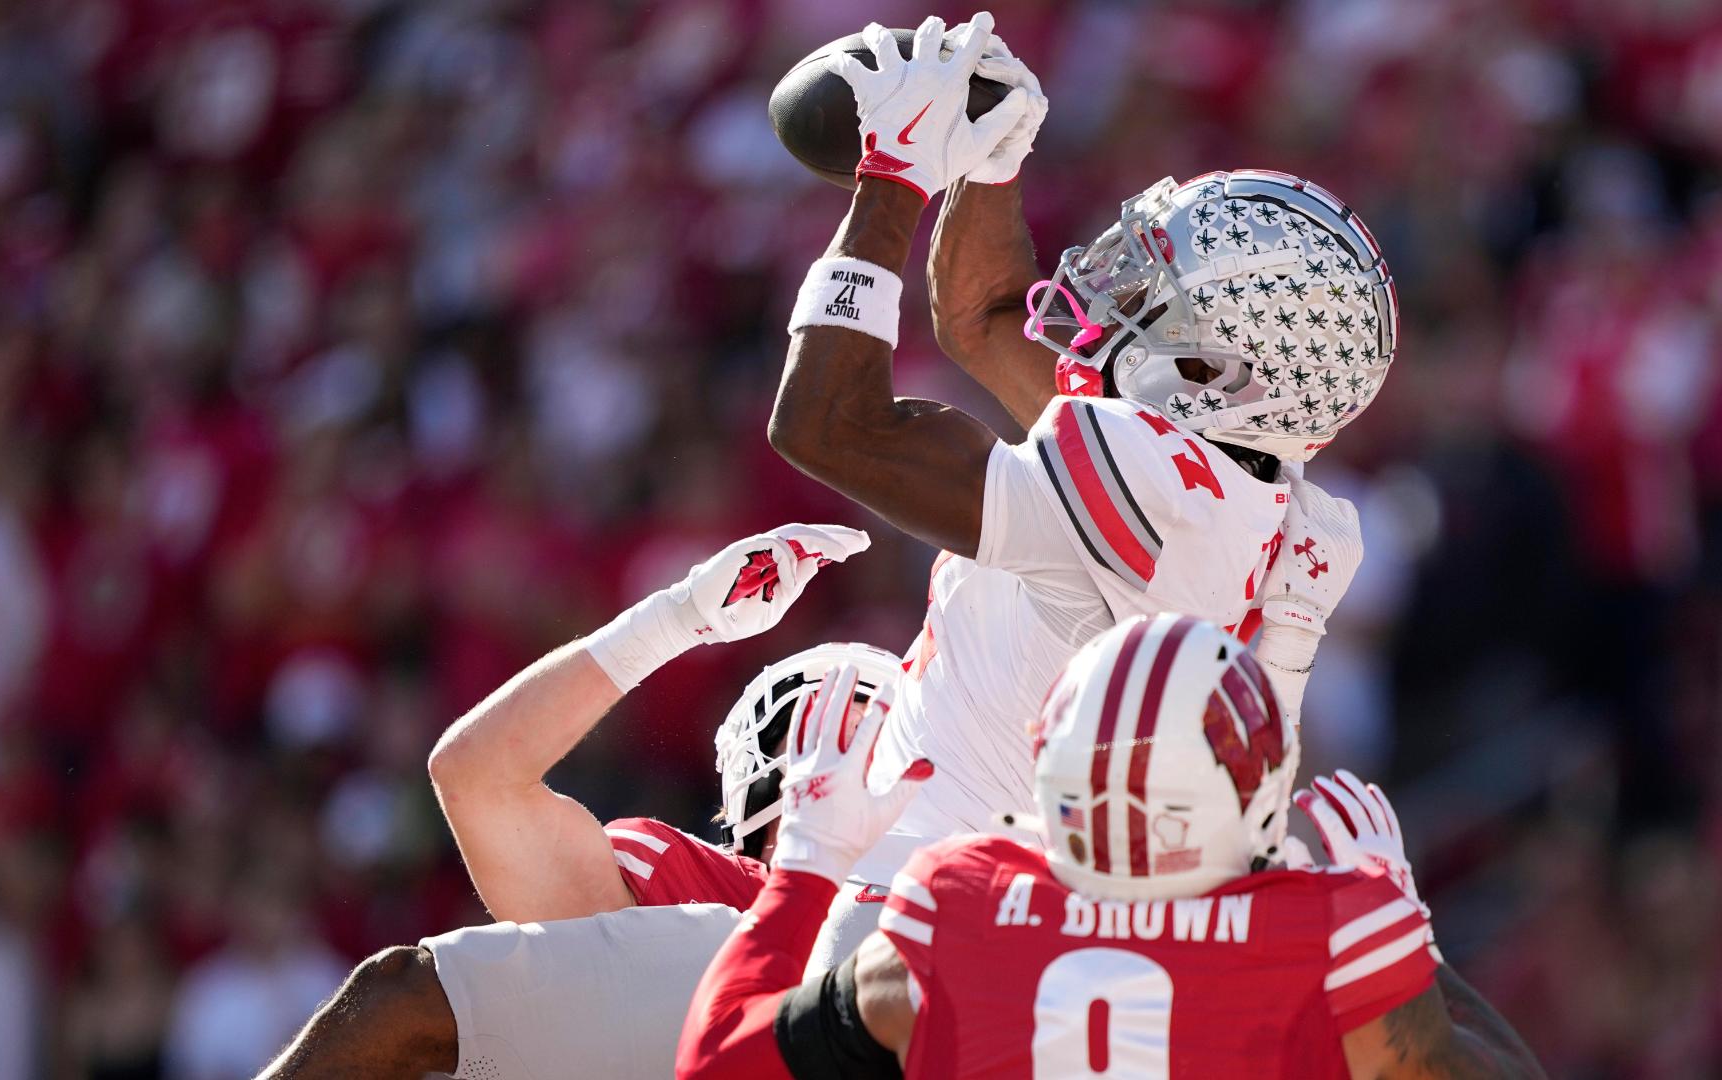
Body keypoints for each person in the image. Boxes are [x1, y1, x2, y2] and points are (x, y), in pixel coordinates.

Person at [767, 13, 1383, 967]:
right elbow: (982, 320)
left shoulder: (1154, 491)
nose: (1113, 285)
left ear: (1215, 372)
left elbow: (826, 428)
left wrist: (894, 177)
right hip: (978, 906)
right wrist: (993, 156)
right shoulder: (1223, 469)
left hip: (913, 915)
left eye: (1149, 295)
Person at [677, 615, 1546, 1078]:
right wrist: (1404, 923)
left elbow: (717, 1066)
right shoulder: (1336, 934)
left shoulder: (958, 899)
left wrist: (809, 864)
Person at [259, 523, 902, 1079]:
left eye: (882, 734)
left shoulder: (973, 884)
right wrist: (673, 619)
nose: (860, 753)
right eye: (839, 726)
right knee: (399, 996)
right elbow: (477, 780)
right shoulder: (697, 885)